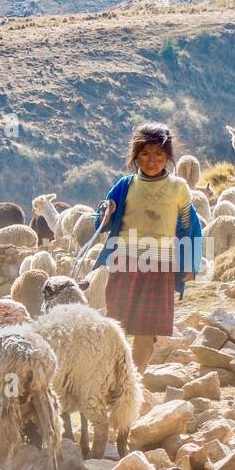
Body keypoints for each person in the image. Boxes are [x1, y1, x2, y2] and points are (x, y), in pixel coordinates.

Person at [89, 122, 205, 372]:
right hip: (125, 262)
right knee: (115, 326)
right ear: (135, 156)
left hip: (160, 265)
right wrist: (106, 212)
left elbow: (189, 227)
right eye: (145, 154)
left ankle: (133, 384)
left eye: (159, 154)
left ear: (168, 157)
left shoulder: (178, 188)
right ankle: (110, 376)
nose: (152, 160)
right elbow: (100, 223)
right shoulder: (125, 186)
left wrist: (190, 263)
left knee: (147, 332)